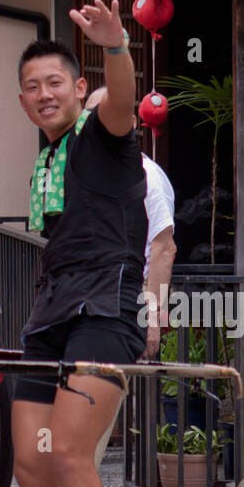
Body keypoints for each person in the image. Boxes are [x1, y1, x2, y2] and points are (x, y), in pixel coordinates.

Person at [14, 1, 147, 487]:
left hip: (105, 312)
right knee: (31, 462)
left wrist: (115, 46)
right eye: (33, 86)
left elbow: (121, 99)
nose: (44, 94)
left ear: (74, 87)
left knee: (69, 454)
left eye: (55, 83)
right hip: (50, 316)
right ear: (23, 99)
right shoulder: (47, 158)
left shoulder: (103, 135)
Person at [85, 86, 176, 359]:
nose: (101, 122)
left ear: (132, 123)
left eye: (112, 114)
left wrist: (152, 317)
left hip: (132, 292)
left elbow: (163, 248)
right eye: (92, 116)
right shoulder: (94, 172)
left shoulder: (145, 175)